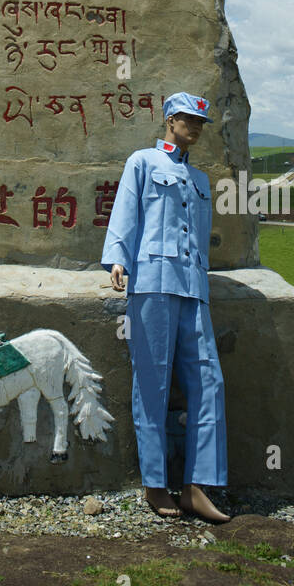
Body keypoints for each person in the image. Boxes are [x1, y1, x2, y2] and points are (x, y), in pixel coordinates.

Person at [101, 92, 230, 523]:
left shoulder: (200, 180)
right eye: (188, 120)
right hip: (152, 283)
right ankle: (155, 484)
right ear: (170, 120)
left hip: (193, 287)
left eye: (200, 122)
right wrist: (118, 256)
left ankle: (197, 485)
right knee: (152, 381)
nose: (195, 128)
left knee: (209, 380)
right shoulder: (142, 162)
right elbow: (126, 212)